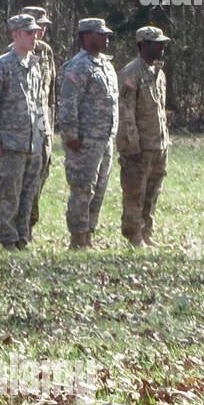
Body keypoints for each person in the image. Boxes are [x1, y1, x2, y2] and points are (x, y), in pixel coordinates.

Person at [0, 14, 46, 250]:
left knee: (29, 193)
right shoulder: (1, 65)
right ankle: (7, 238)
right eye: (29, 33)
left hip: (33, 142)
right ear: (15, 35)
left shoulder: (35, 66)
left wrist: (42, 135)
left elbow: (39, 104)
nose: (34, 37)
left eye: (36, 32)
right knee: (9, 192)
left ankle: (22, 237)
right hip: (10, 142)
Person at [57, 17, 118, 249]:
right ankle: (78, 237)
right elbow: (69, 103)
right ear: (87, 36)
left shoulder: (106, 65)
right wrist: (71, 135)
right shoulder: (78, 66)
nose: (106, 37)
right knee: (83, 188)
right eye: (100, 33)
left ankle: (89, 234)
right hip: (84, 140)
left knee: (100, 189)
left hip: (105, 139)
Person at [117, 26, 171, 247]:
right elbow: (125, 110)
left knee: (152, 192)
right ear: (144, 45)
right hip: (139, 146)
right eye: (156, 43)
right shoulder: (131, 72)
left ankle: (147, 232)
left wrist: (165, 141)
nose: (161, 47)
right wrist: (132, 145)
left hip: (158, 144)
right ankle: (133, 235)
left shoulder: (158, 73)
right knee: (134, 193)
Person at [20, 6, 56, 231]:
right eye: (38, 25)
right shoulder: (13, 52)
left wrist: (50, 124)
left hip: (43, 121)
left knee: (43, 169)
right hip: (21, 122)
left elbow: (51, 91)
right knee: (21, 174)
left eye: (44, 26)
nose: (42, 29)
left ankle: (30, 222)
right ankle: (17, 223)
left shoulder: (45, 51)